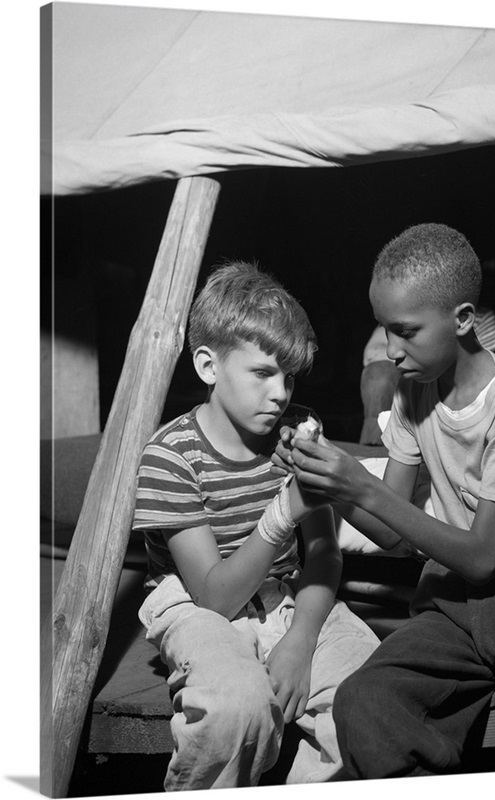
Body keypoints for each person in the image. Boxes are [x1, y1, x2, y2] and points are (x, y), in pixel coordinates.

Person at [273, 223, 495, 778]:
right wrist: (328, 478)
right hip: (447, 598)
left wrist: (360, 484)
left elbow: (483, 555)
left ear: (463, 320)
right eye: (384, 331)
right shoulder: (412, 391)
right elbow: (390, 531)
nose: (390, 352)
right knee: (365, 702)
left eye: (405, 331)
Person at [132, 261, 379, 790]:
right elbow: (213, 599)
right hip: (198, 606)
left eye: (289, 376)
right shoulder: (170, 456)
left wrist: (301, 639)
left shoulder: (294, 434)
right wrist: (285, 508)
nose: (281, 393)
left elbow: (325, 555)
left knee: (373, 695)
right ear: (208, 365)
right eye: (263, 373)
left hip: (288, 596)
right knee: (237, 707)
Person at [359, 306, 495, 445]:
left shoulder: (483, 316)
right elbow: (371, 355)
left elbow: (484, 365)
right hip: (416, 377)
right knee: (379, 373)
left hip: (456, 381)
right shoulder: (403, 312)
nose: (392, 352)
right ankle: (373, 445)